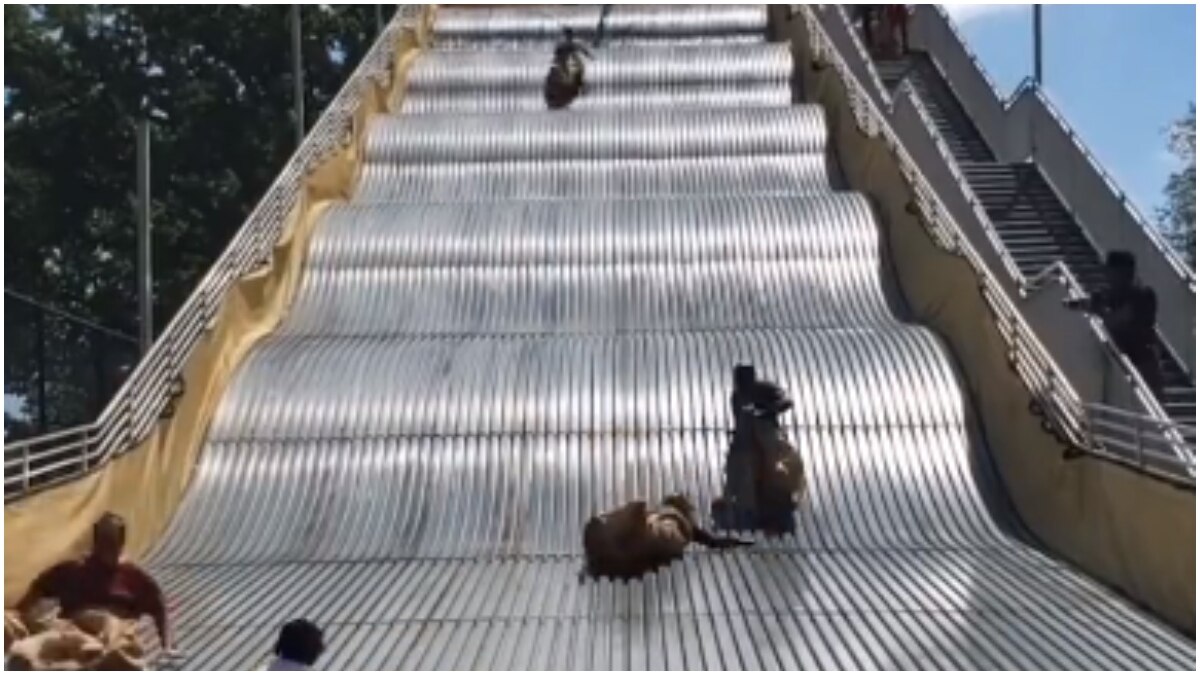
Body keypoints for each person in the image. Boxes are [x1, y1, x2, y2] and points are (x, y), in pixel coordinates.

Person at [5, 512, 175, 670]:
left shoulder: (132, 576)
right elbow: (40, 587)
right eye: (103, 541)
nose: (106, 548)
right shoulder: (75, 569)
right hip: (74, 627)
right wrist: (21, 612)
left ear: (120, 544)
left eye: (111, 543)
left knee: (116, 646)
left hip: (113, 630)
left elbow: (159, 606)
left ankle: (89, 661)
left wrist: (166, 644)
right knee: (35, 646)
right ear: (95, 542)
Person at [713, 365, 804, 535]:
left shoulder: (764, 389)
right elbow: (739, 419)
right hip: (743, 440)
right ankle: (738, 506)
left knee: (778, 467)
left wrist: (768, 410)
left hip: (766, 433)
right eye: (738, 380)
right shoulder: (737, 395)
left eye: (744, 379)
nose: (741, 383)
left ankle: (774, 503)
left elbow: (786, 400)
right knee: (736, 471)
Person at [582, 494, 752, 581]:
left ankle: (606, 541)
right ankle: (608, 546)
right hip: (660, 545)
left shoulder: (677, 521)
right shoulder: (682, 523)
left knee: (649, 533)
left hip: (658, 540)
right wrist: (741, 543)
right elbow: (715, 542)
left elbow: (715, 542)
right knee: (648, 538)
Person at [1063, 250, 1163, 397]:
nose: (1108, 276)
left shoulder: (1142, 295)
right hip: (1120, 361)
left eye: (1112, 271)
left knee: (1150, 404)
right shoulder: (1109, 295)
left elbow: (1119, 319)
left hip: (1143, 361)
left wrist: (1100, 311)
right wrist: (1078, 304)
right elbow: (1090, 303)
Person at [544, 27, 594, 110]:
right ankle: (579, 88)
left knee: (577, 74)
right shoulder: (570, 43)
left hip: (564, 62)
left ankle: (579, 88)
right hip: (564, 62)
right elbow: (584, 51)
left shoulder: (569, 43)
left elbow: (583, 50)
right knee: (576, 74)